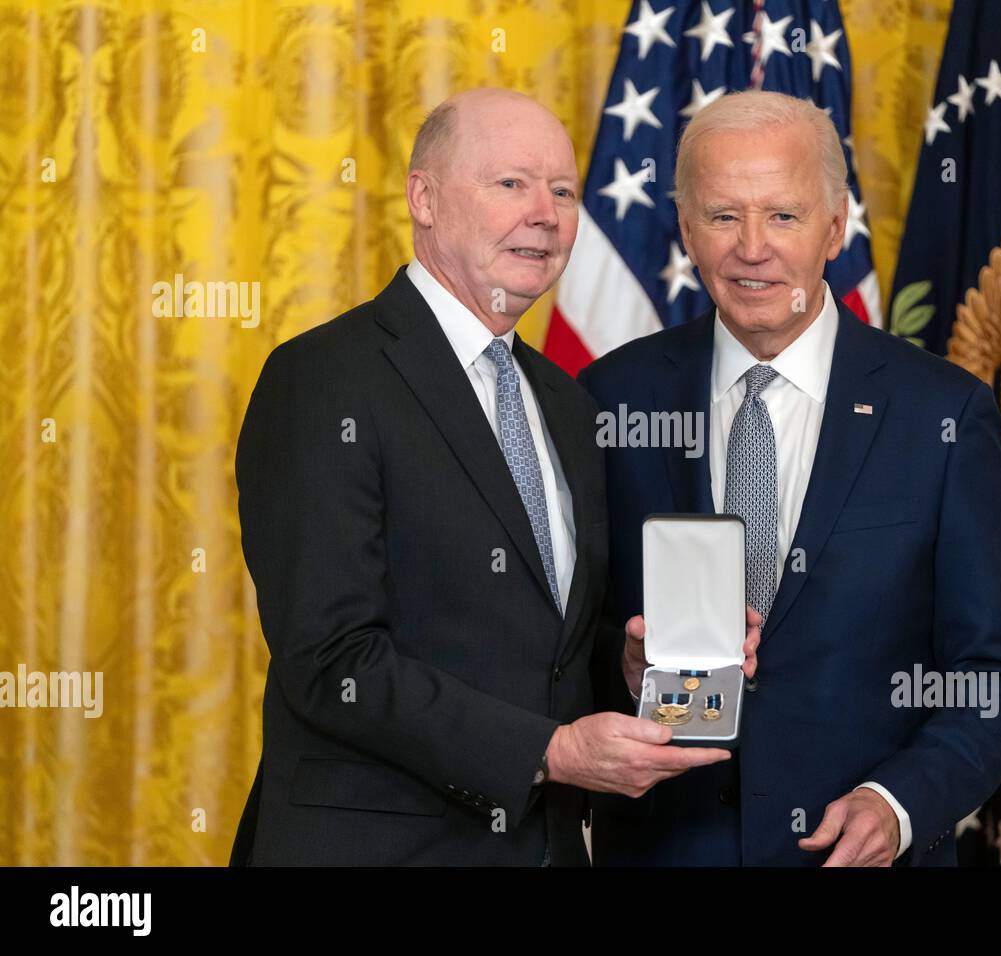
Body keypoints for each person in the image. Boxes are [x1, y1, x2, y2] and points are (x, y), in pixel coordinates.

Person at [230, 88, 733, 866]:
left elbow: (549, 652)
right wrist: (551, 752)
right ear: (422, 198)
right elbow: (331, 660)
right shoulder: (325, 379)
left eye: (563, 191)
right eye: (511, 184)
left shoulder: (567, 403)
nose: (545, 213)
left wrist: (631, 669)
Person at [579, 90, 1001, 866]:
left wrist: (898, 806)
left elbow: (997, 678)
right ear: (687, 228)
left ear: (836, 226)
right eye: (724, 215)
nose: (752, 248)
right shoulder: (608, 398)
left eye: (785, 216)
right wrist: (624, 670)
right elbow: (556, 648)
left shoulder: (943, 414)